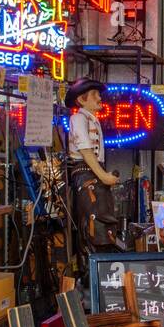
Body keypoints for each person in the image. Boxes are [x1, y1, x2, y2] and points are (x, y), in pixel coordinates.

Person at [65, 78, 120, 250]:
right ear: (82, 99)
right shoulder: (78, 118)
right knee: (95, 222)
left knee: (103, 219)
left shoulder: (92, 119)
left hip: (94, 174)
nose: (99, 98)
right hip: (86, 174)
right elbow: (86, 151)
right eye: (94, 94)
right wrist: (103, 176)